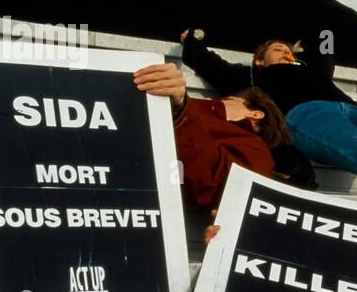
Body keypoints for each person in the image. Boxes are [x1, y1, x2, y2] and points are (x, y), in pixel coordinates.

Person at [178, 28, 357, 187]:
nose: (285, 53)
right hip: (304, 115)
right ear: (259, 61)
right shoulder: (252, 75)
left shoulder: (312, 71)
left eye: (288, 51)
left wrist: (321, 37)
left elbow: (326, 54)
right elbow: (212, 65)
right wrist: (192, 43)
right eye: (277, 50)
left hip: (347, 108)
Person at [133, 63, 315, 206]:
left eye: (226, 101)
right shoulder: (197, 117)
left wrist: (183, 110)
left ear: (255, 113)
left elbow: (210, 185)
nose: (209, 100)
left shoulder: (256, 150)